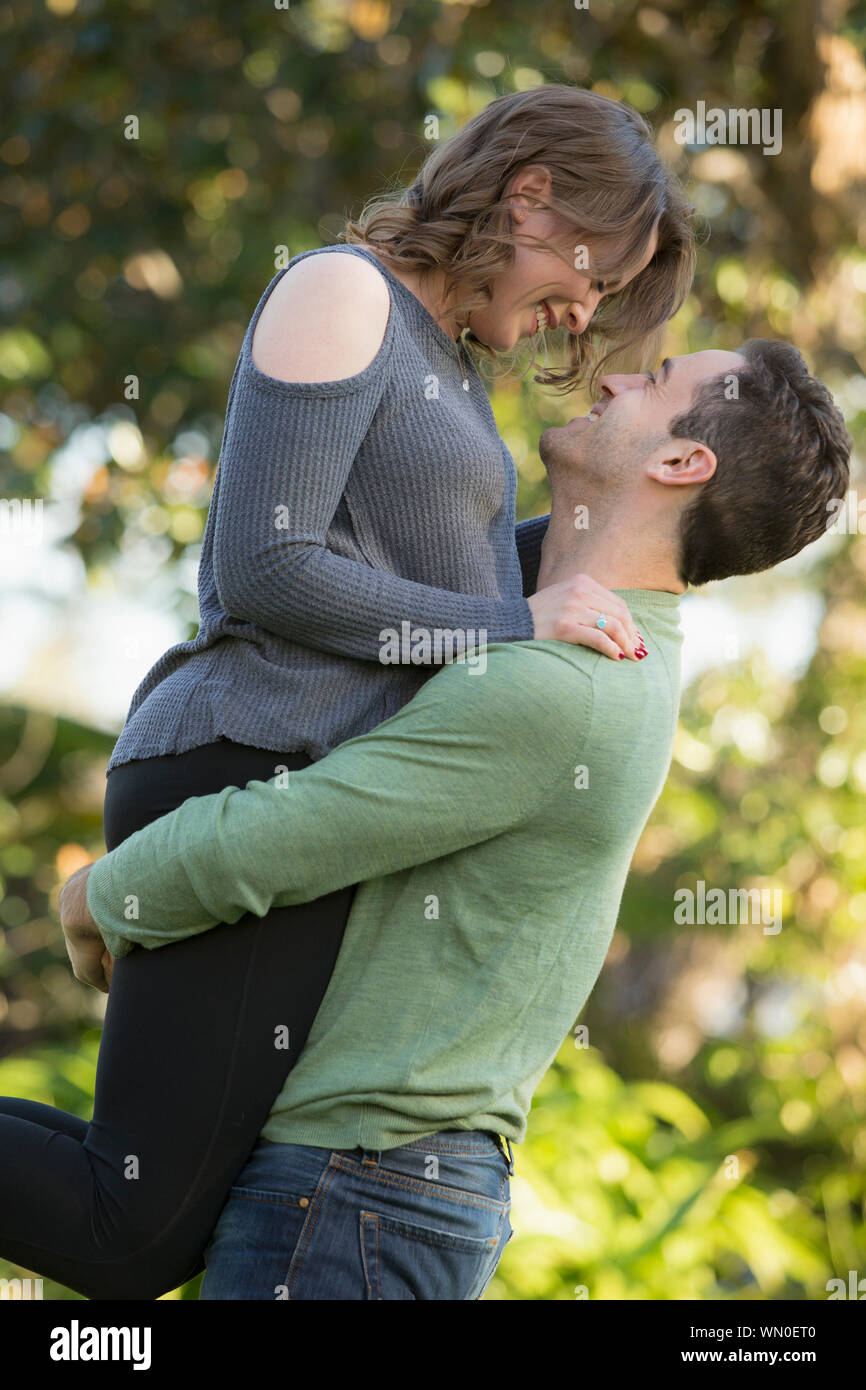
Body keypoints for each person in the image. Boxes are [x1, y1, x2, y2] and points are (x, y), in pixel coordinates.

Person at [0, 85, 695, 1300]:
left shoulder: (443, 354)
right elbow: (263, 566)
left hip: (295, 778)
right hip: (236, 757)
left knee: (159, 1207)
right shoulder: (341, 294)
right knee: (131, 1231)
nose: (583, 314)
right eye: (592, 273)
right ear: (528, 193)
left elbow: (421, 563)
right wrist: (507, 621)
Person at [58, 339, 851, 1300]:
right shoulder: (558, 630)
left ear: (681, 463)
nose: (610, 375)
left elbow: (289, 833)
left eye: (653, 379)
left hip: (361, 1195)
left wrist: (100, 895)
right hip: (369, 1196)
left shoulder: (564, 686)